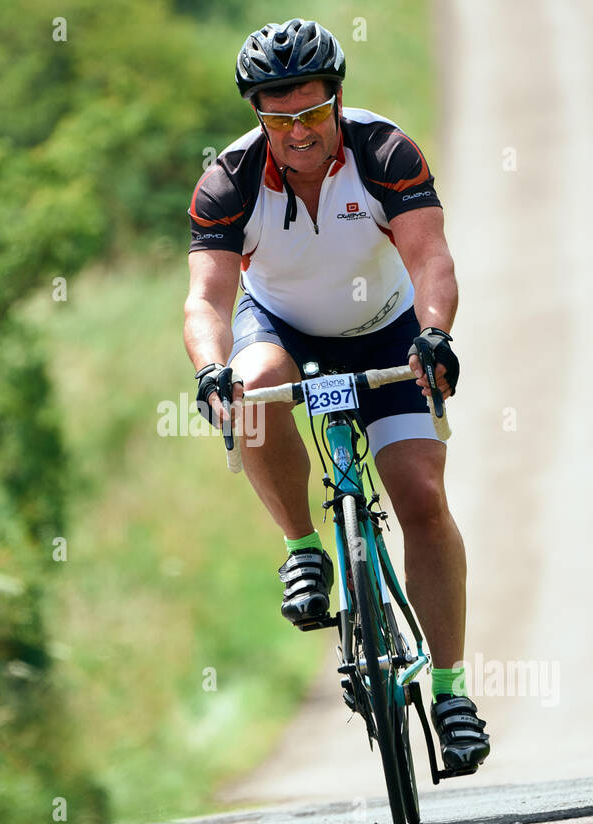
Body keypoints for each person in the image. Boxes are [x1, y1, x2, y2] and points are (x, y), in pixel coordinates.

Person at [182, 19, 488, 771]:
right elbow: (206, 300)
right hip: (282, 328)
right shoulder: (229, 180)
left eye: (312, 113)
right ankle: (304, 549)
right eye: (279, 118)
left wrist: (436, 333)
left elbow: (430, 258)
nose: (298, 133)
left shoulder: (385, 152)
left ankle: (450, 694)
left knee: (420, 495)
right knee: (251, 388)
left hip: (387, 330)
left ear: (337, 100)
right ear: (259, 115)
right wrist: (209, 367)